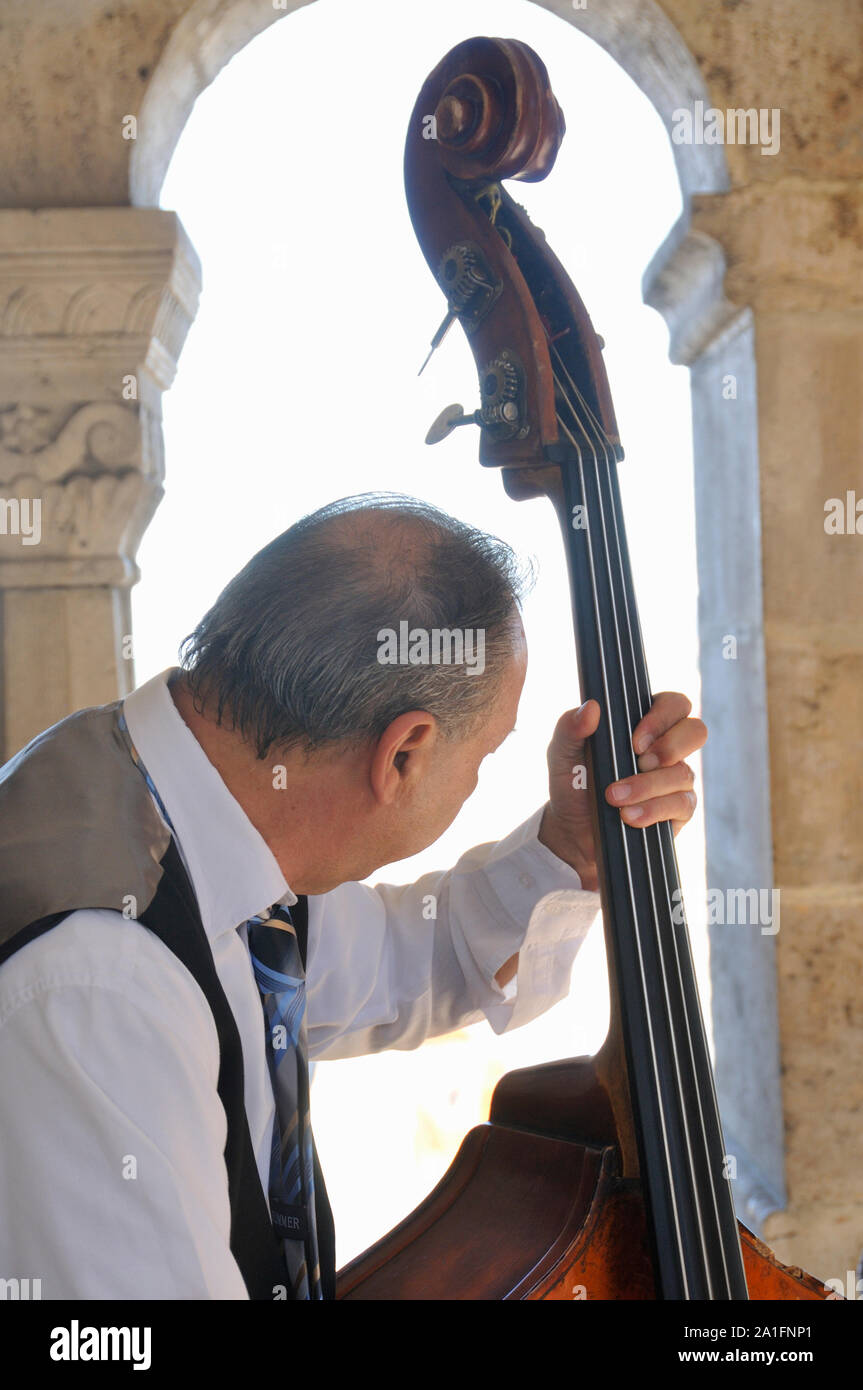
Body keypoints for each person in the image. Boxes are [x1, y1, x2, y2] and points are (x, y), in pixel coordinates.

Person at [0, 494, 706, 1300]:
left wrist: (571, 851)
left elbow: (406, 963)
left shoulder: (207, 810)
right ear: (403, 752)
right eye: (483, 755)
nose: (476, 780)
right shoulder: (101, 983)